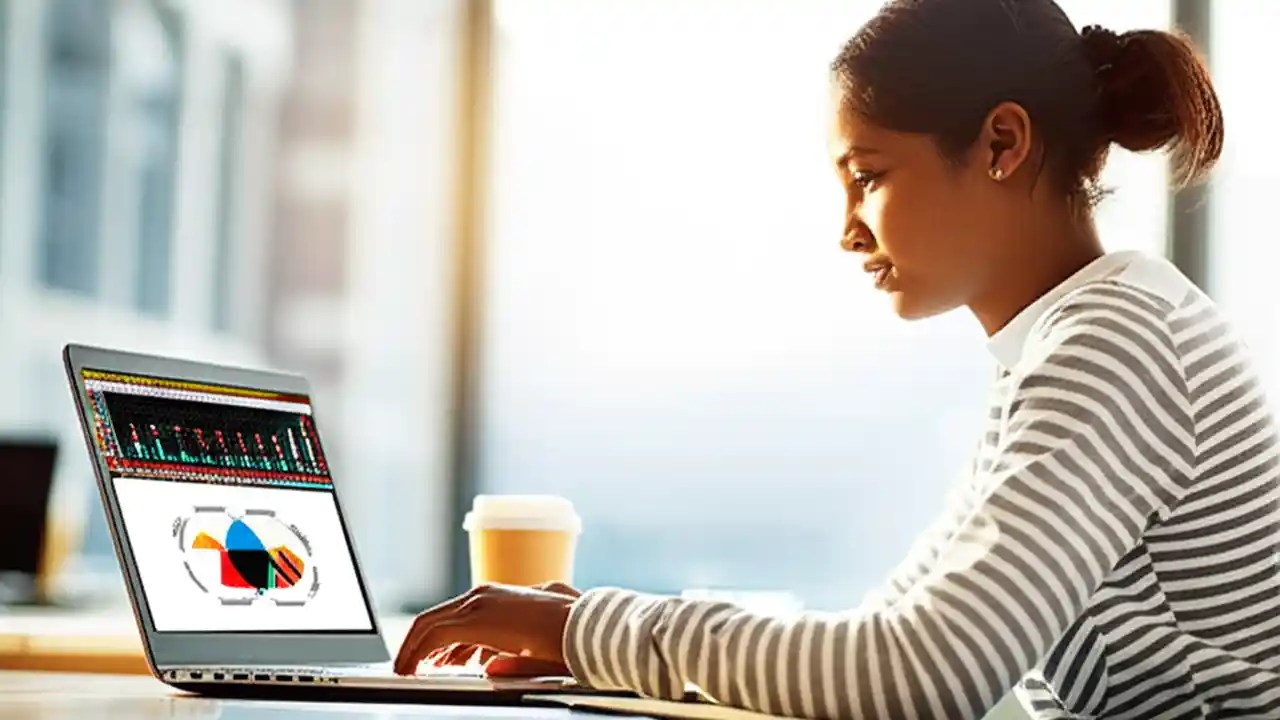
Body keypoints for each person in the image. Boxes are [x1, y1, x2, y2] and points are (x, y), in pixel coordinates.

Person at [396, 0, 1280, 717]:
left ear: (1002, 145)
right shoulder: (1065, 344)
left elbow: (922, 674)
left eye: (869, 176)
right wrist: (588, 631)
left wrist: (589, 631)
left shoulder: (1114, 344)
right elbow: (882, 635)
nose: (849, 230)